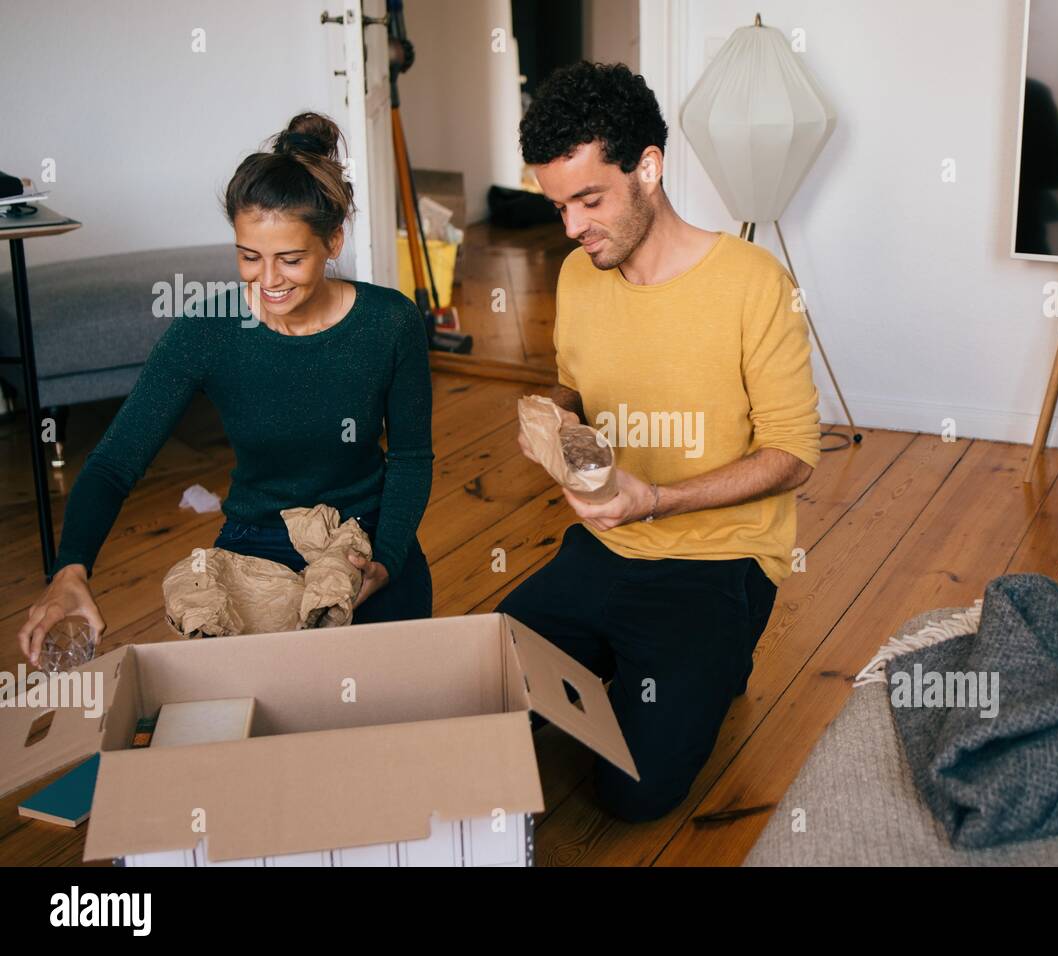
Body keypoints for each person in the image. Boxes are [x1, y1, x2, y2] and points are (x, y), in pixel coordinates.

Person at [498, 63, 822, 822]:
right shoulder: (581, 277)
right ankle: (628, 658)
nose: (573, 227)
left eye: (589, 199)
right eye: (558, 206)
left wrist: (657, 500)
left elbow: (794, 453)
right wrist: (551, 416)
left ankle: (708, 656)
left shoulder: (753, 282)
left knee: (634, 795)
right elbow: (576, 385)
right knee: (474, 689)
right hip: (602, 550)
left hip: (715, 564)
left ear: (648, 168)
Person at [18, 112, 434, 666]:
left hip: (365, 536)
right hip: (255, 540)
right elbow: (115, 462)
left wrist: (386, 557)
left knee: (394, 688)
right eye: (248, 257)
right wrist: (70, 567)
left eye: (290, 259)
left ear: (333, 241)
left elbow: (410, 456)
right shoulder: (207, 331)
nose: (268, 282)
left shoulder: (390, 322)